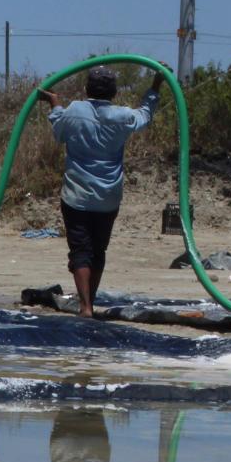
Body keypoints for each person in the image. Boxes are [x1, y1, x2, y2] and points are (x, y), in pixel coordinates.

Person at [41, 67, 159, 317]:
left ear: (87, 89)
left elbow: (59, 133)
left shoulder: (74, 110)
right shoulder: (123, 115)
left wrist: (55, 104)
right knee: (98, 250)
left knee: (80, 250)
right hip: (108, 196)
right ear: (114, 92)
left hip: (77, 194)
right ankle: (89, 303)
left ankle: (86, 306)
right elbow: (145, 115)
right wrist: (156, 84)